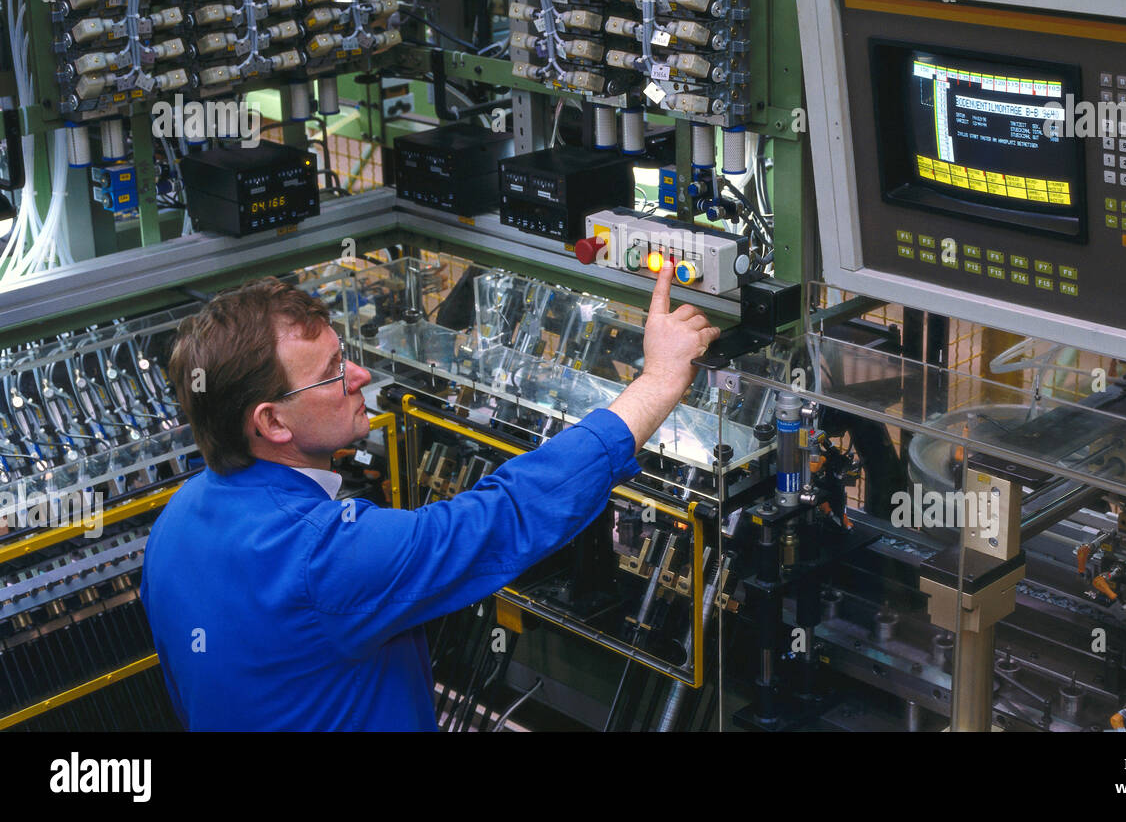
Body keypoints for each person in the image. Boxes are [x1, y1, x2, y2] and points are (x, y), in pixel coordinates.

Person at [140, 261, 719, 731]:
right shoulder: (326, 555)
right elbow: (507, 515)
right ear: (272, 424)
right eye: (333, 370)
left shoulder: (176, 521)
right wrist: (659, 381)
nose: (361, 377)